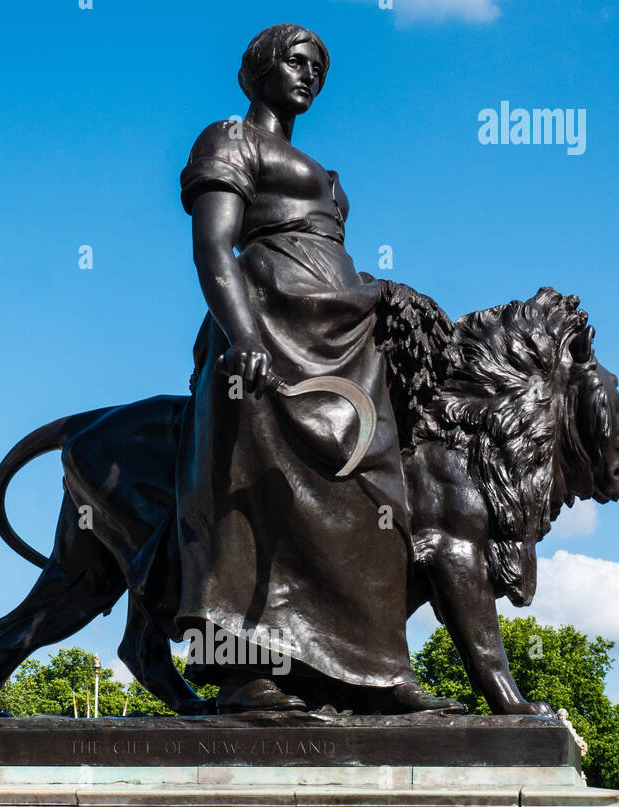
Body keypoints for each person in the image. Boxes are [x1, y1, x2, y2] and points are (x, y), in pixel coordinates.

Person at [175, 23, 461, 716]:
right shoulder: (229, 139)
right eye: (297, 62)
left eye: (319, 69)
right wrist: (244, 336)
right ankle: (245, 672)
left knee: (369, 497)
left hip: (339, 345)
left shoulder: (327, 177)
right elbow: (214, 252)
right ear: (259, 69)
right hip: (267, 339)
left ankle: (365, 669)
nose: (309, 77)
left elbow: (325, 259)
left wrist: (381, 294)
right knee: (255, 500)